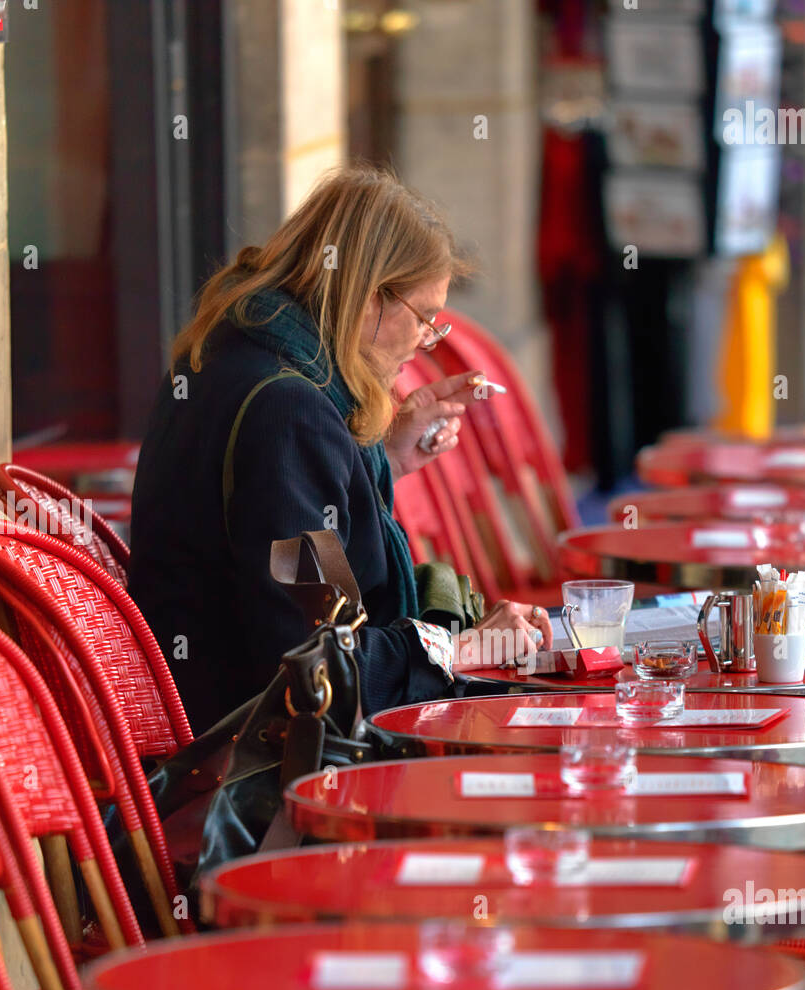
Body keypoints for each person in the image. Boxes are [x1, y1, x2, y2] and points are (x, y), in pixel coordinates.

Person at [130, 165, 553, 734]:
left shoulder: (235, 350)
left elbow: (286, 551)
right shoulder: (289, 410)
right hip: (260, 758)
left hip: (218, 711)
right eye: (426, 317)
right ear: (369, 296)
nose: (427, 339)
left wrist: (383, 460)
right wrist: (466, 648)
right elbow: (319, 665)